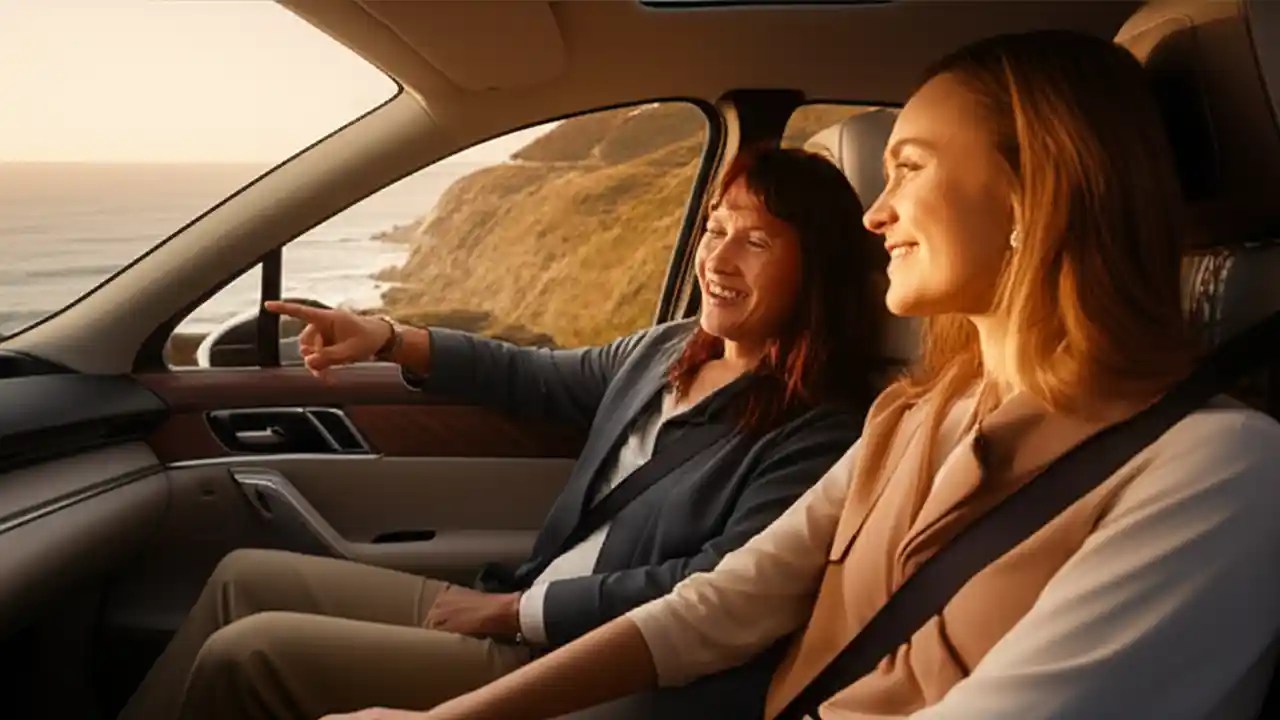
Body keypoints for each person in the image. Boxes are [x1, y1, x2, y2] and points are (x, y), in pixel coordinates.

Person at [384, 29, 1280, 720]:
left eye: (910, 168)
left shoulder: (1222, 471)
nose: (877, 214)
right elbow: (720, 607)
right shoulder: (918, 413)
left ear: (1032, 190)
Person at [116, 147, 888, 720]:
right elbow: (534, 377)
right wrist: (386, 336)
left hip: (574, 661)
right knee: (241, 575)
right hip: (515, 603)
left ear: (814, 268)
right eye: (714, 229)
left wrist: (514, 615)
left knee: (246, 655)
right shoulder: (668, 349)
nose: (716, 258)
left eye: (754, 241)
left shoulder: (819, 431)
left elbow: (714, 588)